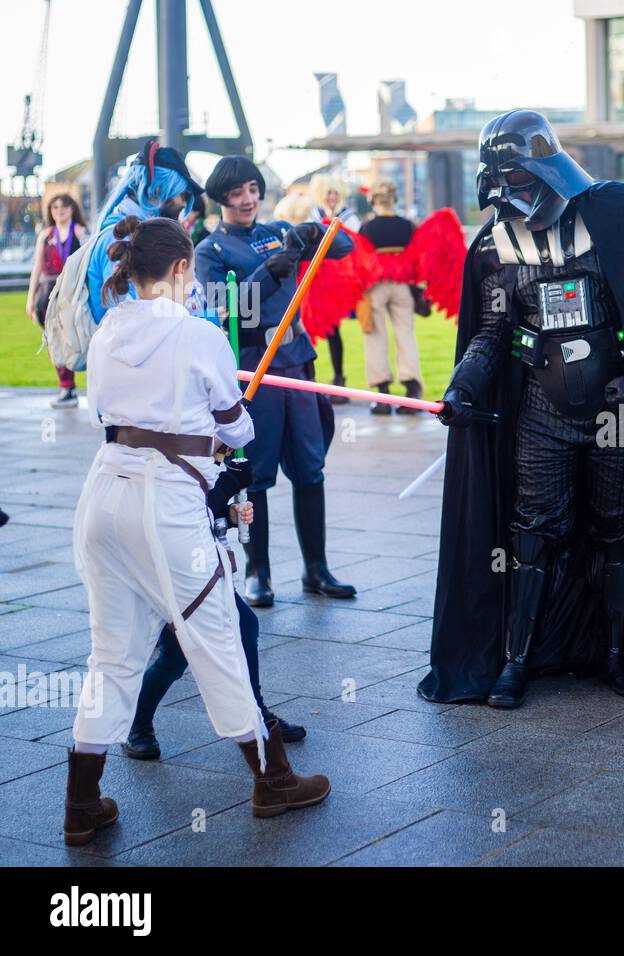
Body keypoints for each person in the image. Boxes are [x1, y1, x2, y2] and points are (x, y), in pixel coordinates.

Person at [415, 110, 624, 709]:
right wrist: (463, 388)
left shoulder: (614, 222)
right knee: (534, 532)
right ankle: (518, 660)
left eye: (523, 180)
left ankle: (616, 655)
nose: (515, 196)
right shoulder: (496, 249)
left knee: (617, 528)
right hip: (540, 412)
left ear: (547, 170)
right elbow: (492, 333)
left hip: (614, 411)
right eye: (506, 184)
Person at [64, 215, 329, 846]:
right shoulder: (200, 335)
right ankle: (273, 780)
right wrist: (224, 428)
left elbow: (107, 409)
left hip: (102, 497)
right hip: (166, 506)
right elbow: (239, 428)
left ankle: (80, 803)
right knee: (217, 644)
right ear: (182, 268)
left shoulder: (106, 331)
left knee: (112, 653)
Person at [196, 156, 356, 608]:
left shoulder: (274, 233)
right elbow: (225, 309)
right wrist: (272, 270)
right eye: (237, 193)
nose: (247, 199)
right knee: (258, 473)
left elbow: (341, 250)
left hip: (296, 364)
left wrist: (314, 233)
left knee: (310, 467)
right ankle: (257, 572)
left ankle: (316, 569)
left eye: (252, 189)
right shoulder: (211, 250)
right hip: (254, 367)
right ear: (222, 198)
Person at [122, 457, 307, 759]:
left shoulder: (210, 453)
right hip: (170, 569)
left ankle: (256, 713)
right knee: (176, 653)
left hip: (204, 569)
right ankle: (136, 722)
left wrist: (230, 515)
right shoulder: (170, 445)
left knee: (244, 626)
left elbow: (207, 513)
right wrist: (228, 485)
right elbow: (181, 509)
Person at [85, 142, 204, 326]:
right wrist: (206, 320)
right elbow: (133, 324)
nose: (183, 203)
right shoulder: (119, 239)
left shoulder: (135, 235)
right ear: (157, 189)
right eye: (184, 194)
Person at [358, 178, 423, 414]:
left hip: (375, 286)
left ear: (373, 199)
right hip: (402, 285)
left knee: (375, 336)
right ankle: (412, 390)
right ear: (394, 198)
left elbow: (360, 259)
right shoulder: (407, 225)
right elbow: (417, 257)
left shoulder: (367, 227)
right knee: (405, 334)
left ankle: (382, 395)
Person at [26, 193, 89, 408]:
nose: (59, 210)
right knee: (55, 341)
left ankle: (93, 385)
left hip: (72, 293)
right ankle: (66, 387)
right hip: (48, 294)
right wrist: (30, 299)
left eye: (64, 206)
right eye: (54, 207)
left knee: (77, 339)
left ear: (72, 209)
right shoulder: (45, 235)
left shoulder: (81, 233)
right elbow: (36, 269)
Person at [310, 174, 362, 402]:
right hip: (316, 281)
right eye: (328, 193)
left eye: (335, 193)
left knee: (333, 330)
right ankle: (307, 380)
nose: (332, 198)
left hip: (338, 281)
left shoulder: (349, 218)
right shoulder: (313, 216)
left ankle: (339, 379)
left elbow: (357, 247)